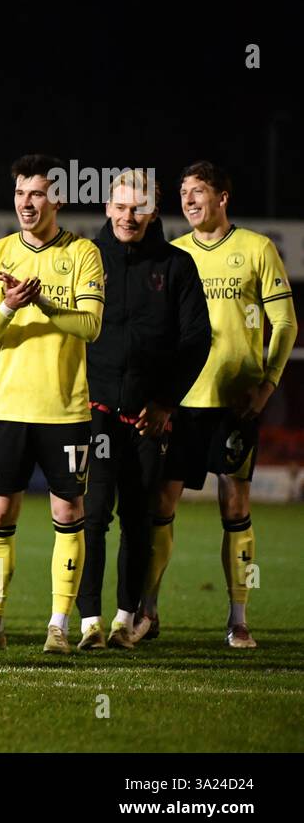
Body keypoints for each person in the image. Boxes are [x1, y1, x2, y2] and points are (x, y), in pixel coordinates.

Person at [0, 154, 104, 654]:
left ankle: (58, 625)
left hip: (64, 409)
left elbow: (91, 326)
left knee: (68, 508)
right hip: (11, 409)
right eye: (20, 194)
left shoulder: (83, 254)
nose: (26, 203)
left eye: (36, 193)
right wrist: (12, 305)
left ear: (57, 198)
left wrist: (45, 304)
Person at [143, 161, 297, 648]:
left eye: (198, 192)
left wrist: (268, 385)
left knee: (235, 506)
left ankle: (238, 618)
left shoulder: (256, 249)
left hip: (235, 406)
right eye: (183, 193)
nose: (188, 201)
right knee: (161, 504)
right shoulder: (173, 254)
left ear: (223, 197)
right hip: (180, 403)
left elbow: (286, 323)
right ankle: (147, 611)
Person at [76, 170, 209, 650]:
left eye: (139, 208)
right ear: (107, 208)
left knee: (139, 518)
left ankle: (125, 620)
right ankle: (88, 621)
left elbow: (196, 341)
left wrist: (165, 402)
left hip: (149, 418)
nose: (128, 216)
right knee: (92, 516)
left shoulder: (177, 266)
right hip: (94, 412)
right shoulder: (85, 259)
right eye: (121, 206)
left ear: (153, 213)